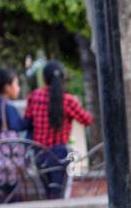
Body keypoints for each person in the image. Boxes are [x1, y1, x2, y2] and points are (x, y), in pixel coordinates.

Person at [24, 59, 92, 200]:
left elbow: (27, 120)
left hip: (39, 152)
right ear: (62, 77)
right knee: (59, 194)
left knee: (48, 192)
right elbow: (87, 120)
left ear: (44, 78)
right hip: (60, 153)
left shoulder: (35, 96)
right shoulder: (67, 100)